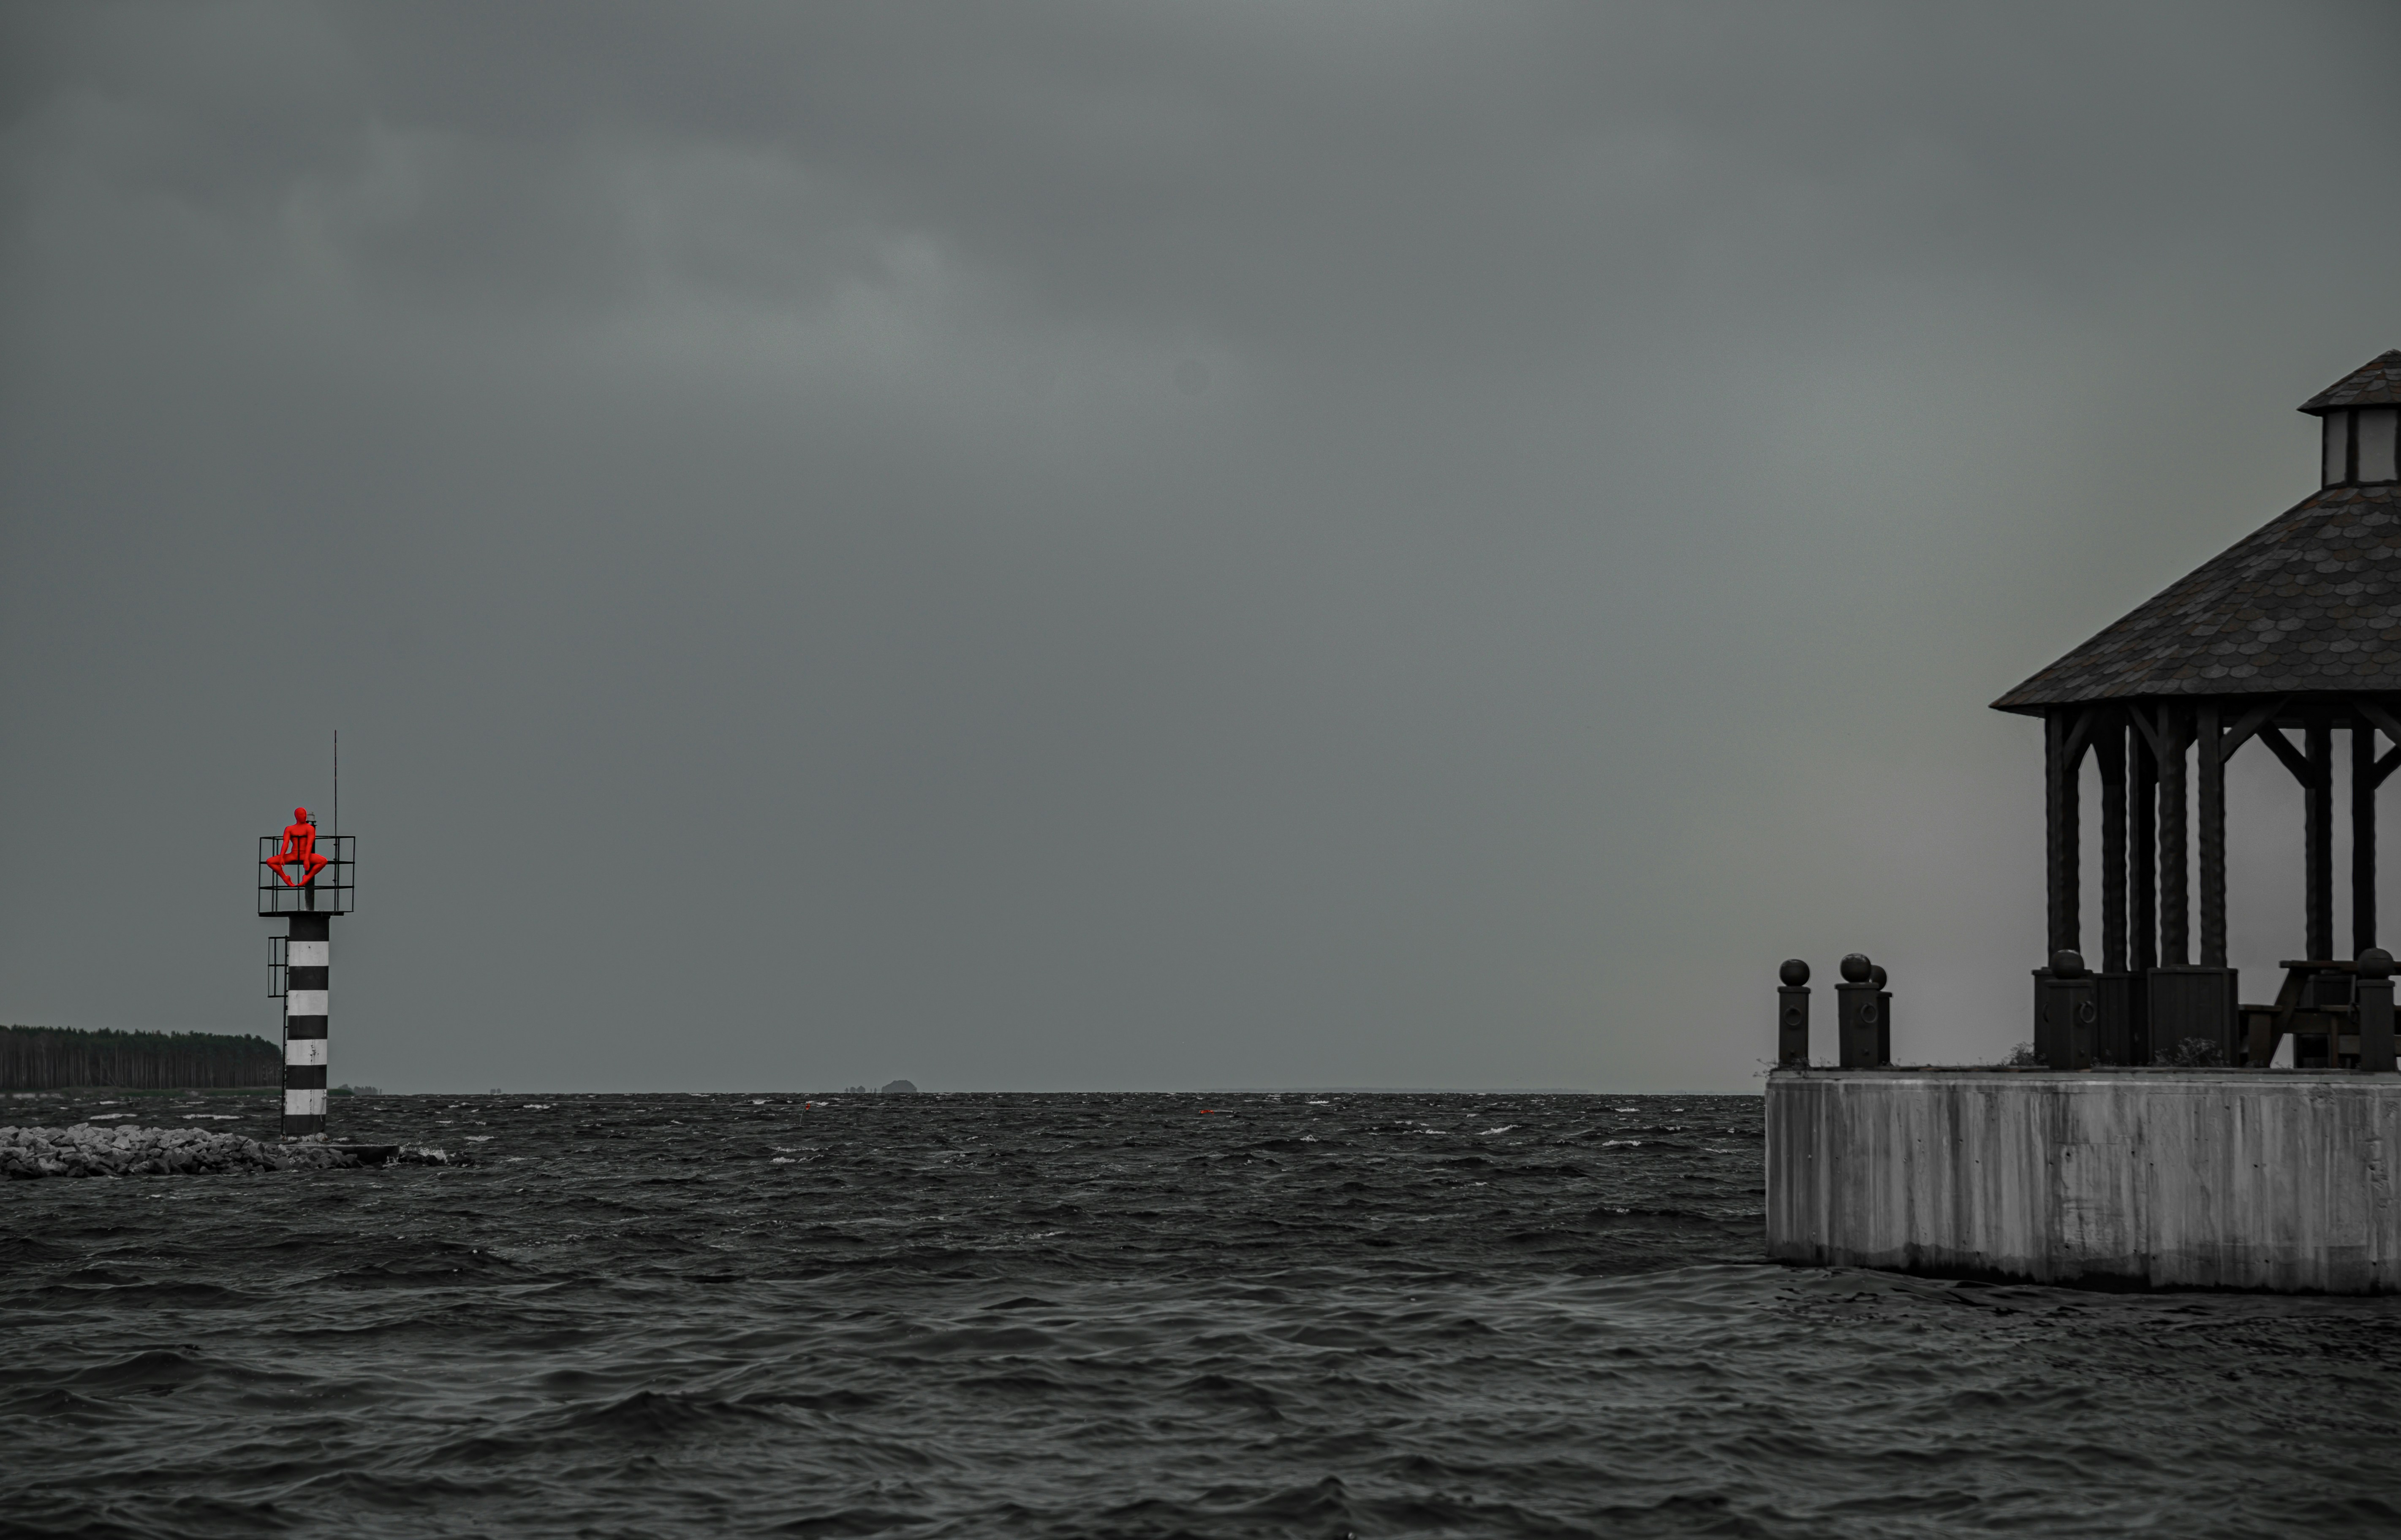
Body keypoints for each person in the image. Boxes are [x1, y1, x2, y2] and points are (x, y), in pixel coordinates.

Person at [269, 807, 329, 888]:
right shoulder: (290, 829)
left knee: (323, 861)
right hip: (294, 854)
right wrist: (282, 857)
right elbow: (286, 843)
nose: (304, 816)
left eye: (305, 814)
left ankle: (308, 877)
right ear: (297, 816)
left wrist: (307, 859)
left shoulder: (310, 828)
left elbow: (309, 844)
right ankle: (285, 878)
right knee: (270, 861)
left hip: (305, 854)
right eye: (302, 814)